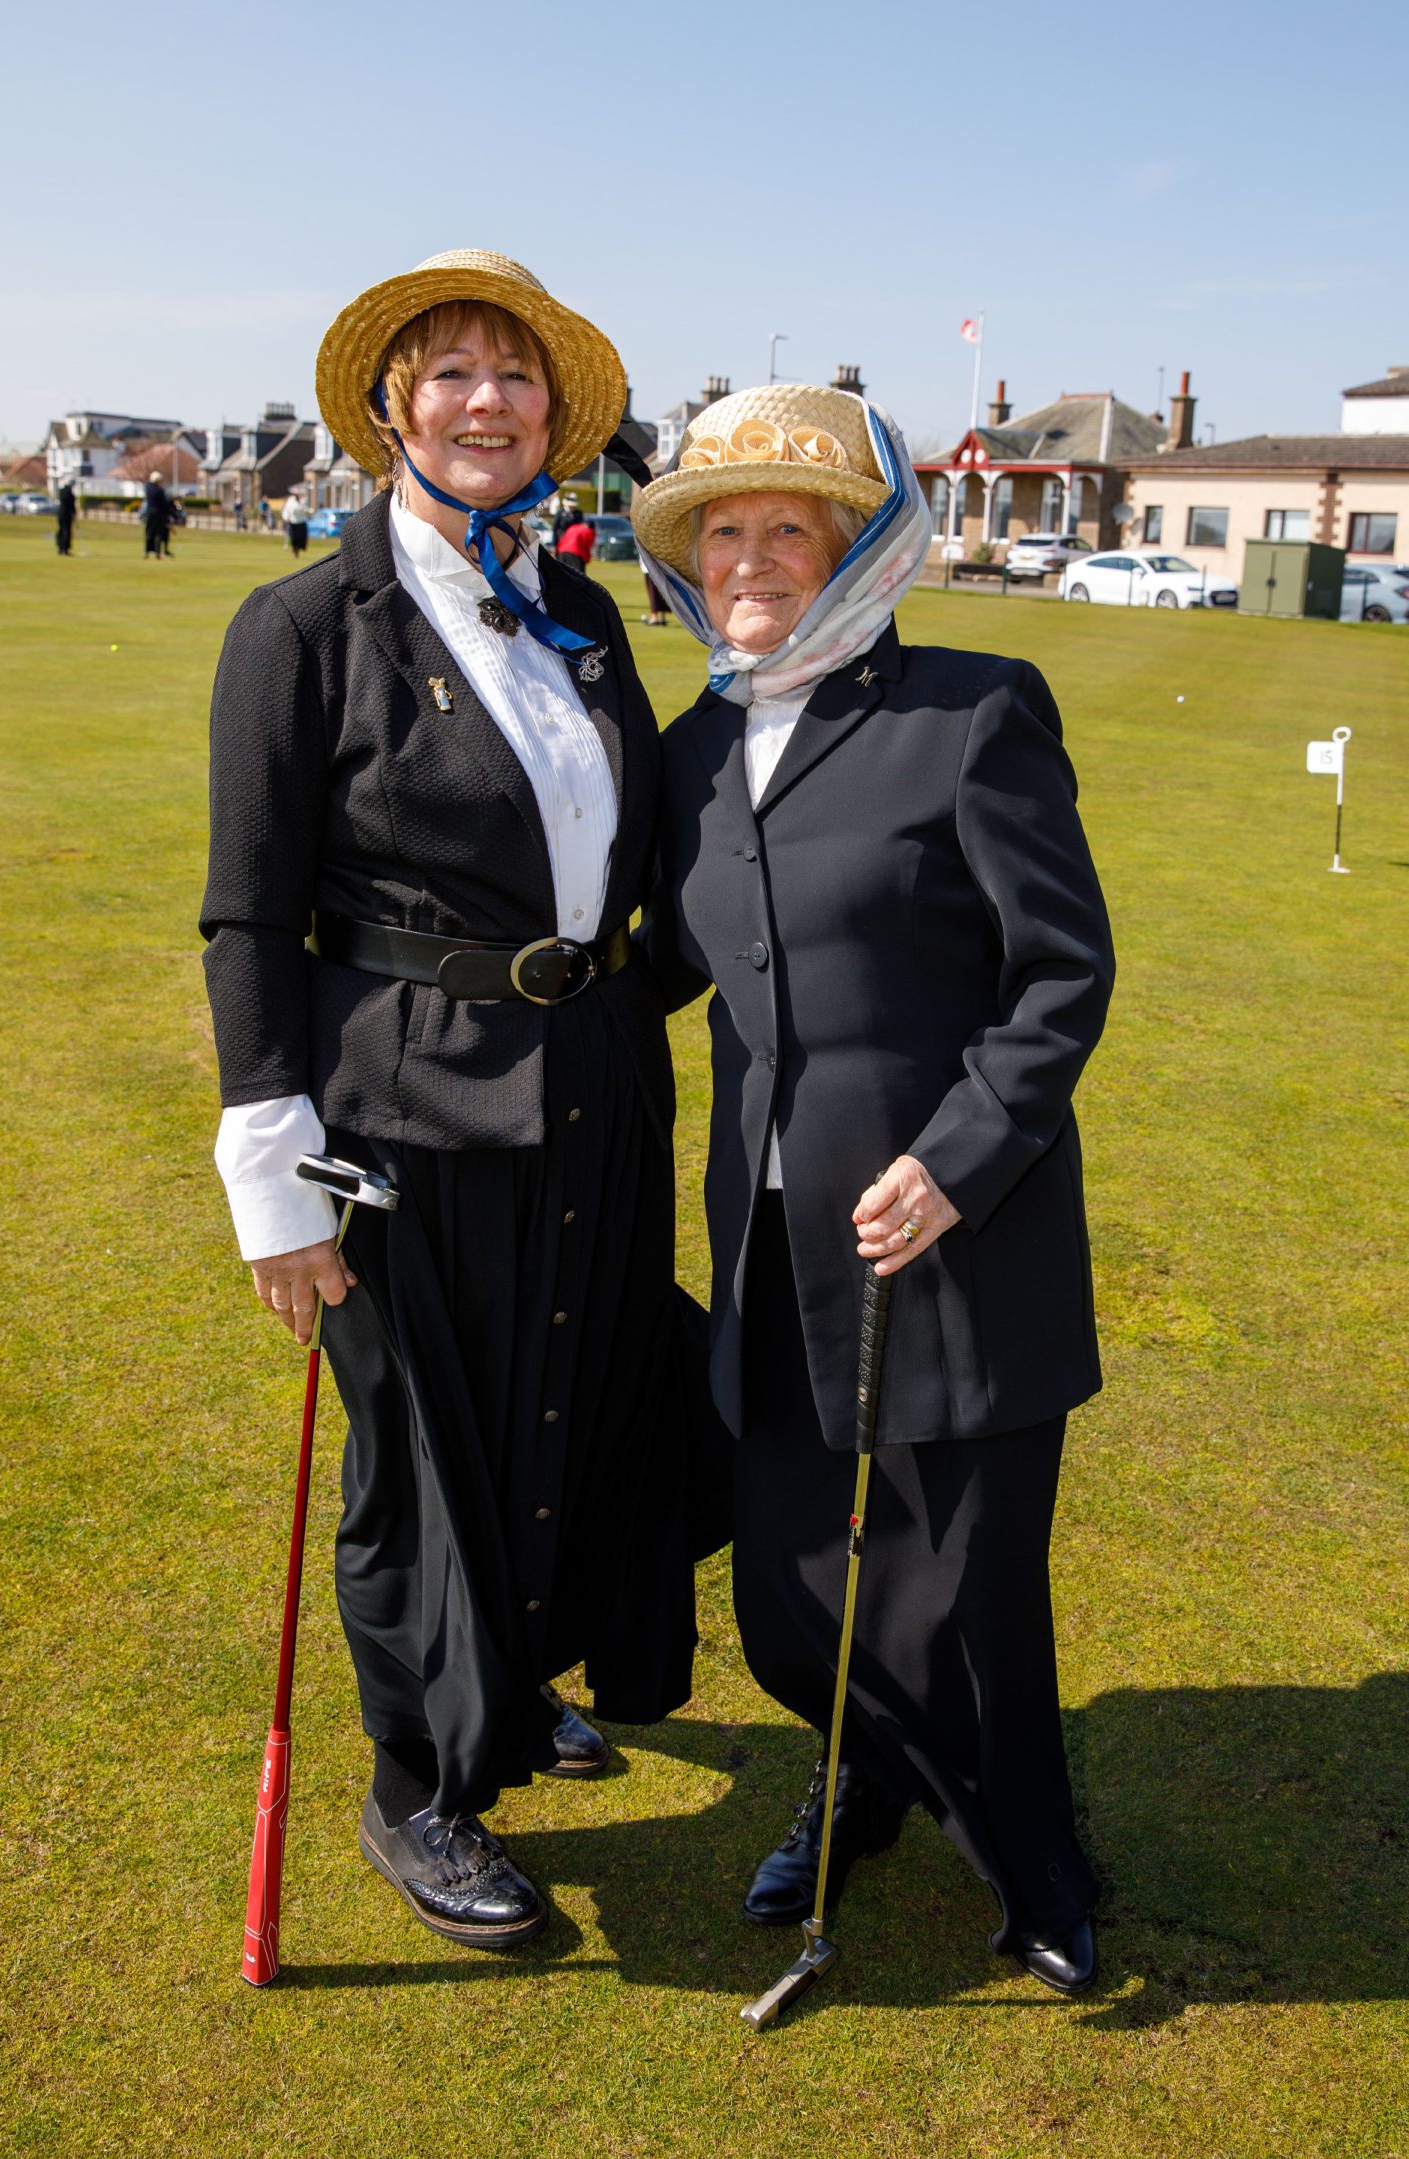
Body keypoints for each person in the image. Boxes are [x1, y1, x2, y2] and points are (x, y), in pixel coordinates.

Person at [201, 249, 720, 1953]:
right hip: (399, 1115)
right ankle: (417, 1775)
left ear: (554, 420)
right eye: (451, 373)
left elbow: (639, 857)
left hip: (591, 1091)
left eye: (515, 376)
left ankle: (515, 1688)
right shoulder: (299, 624)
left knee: (566, 1396)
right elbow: (248, 909)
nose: (487, 401)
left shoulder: (574, 611)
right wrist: (272, 1169)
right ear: (388, 409)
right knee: (420, 1451)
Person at [633, 382, 1115, 1995]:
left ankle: (1039, 1862)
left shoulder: (975, 714)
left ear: (852, 546)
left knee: (971, 1596)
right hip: (777, 1254)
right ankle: (878, 1767)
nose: (751, 558)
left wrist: (956, 1157)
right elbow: (657, 963)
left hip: (959, 1248)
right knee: (788, 1597)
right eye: (725, 530)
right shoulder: (696, 747)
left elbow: (1061, 977)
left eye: (787, 527)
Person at [556, 507, 595, 574]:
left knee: (563, 574)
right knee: (579, 577)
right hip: (575, 553)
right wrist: (586, 559)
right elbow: (586, 547)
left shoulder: (572, 527)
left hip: (562, 552)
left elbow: (562, 540)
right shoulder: (589, 531)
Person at [143, 471, 171, 558]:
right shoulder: (159, 490)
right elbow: (164, 504)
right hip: (159, 514)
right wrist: (169, 512)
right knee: (158, 534)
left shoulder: (147, 488)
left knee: (149, 532)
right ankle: (157, 553)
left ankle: (147, 552)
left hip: (150, 513)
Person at [282, 487, 309, 556]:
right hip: (293, 522)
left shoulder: (303, 500)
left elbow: (305, 506)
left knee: (301, 538)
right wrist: (286, 517)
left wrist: (301, 500)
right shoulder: (290, 501)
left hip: (301, 522)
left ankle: (298, 549)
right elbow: (286, 510)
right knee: (294, 538)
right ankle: (294, 550)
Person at [55, 481, 76, 557]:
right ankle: (65, 549)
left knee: (61, 530)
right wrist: (74, 513)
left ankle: (60, 548)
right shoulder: (69, 493)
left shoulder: (61, 491)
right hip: (66, 514)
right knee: (66, 531)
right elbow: (71, 505)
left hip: (60, 513)